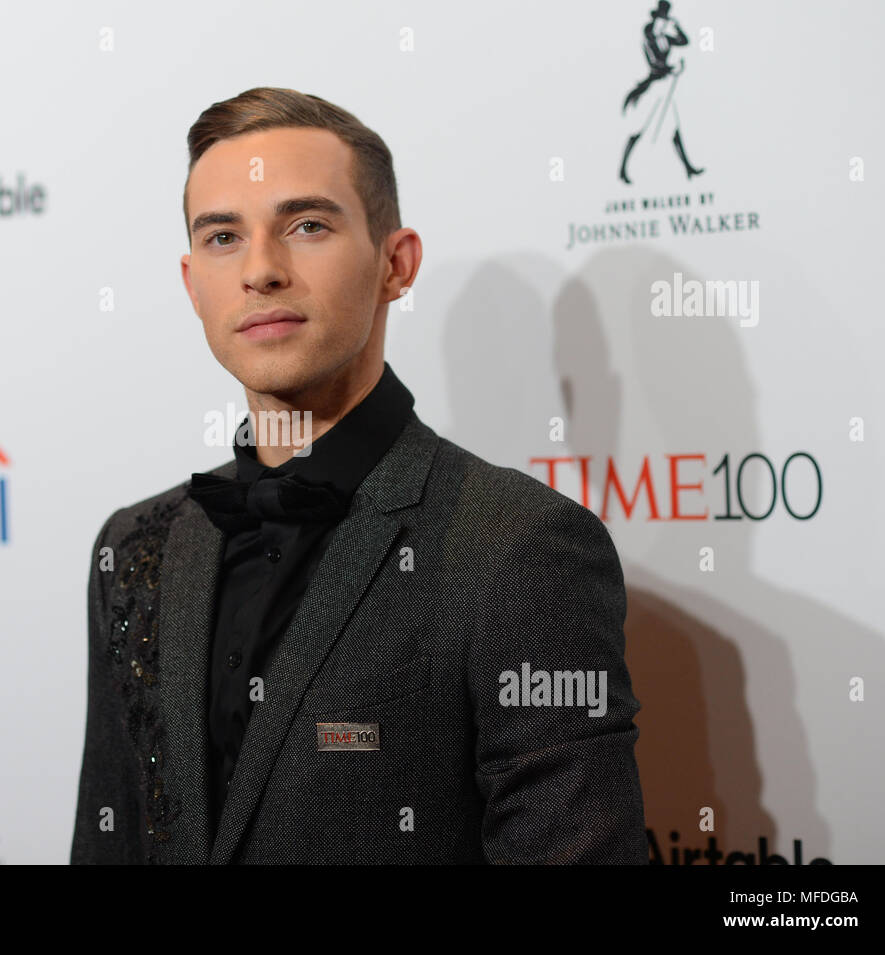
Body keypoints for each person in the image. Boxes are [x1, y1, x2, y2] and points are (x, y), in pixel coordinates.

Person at [71, 87, 646, 864]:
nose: (261, 270)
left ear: (396, 264)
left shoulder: (519, 548)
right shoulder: (135, 545)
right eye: (222, 237)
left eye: (307, 225)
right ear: (190, 283)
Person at [619, 0, 705, 182]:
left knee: (674, 129)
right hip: (653, 87)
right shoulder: (648, 38)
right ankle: (622, 169)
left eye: (666, 21)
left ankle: (688, 167)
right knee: (638, 128)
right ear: (655, 19)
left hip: (665, 88)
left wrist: (677, 26)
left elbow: (684, 41)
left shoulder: (666, 38)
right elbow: (654, 63)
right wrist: (671, 69)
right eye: (662, 20)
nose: (664, 24)